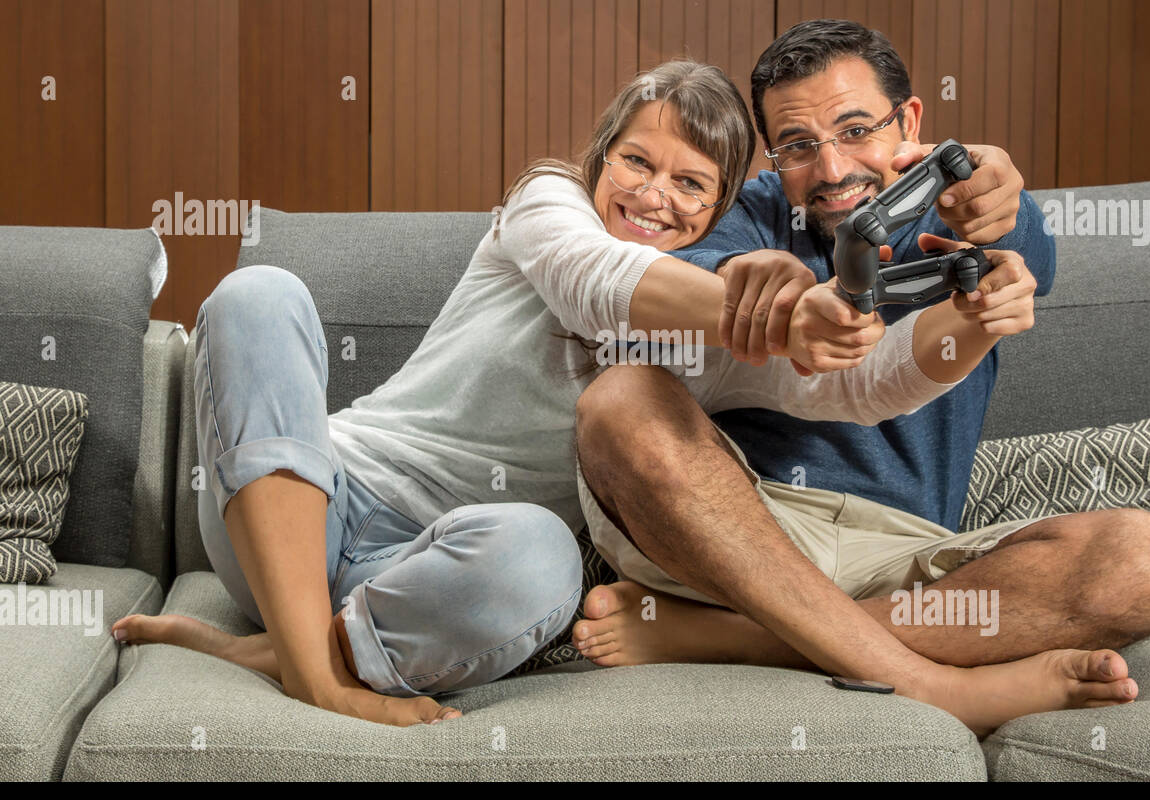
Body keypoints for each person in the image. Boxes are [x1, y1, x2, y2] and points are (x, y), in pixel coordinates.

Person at [108, 59, 903, 726]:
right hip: (299, 507)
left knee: (544, 557)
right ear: (600, 156)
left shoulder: (715, 346)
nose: (656, 195)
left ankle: (278, 644)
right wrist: (779, 312)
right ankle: (317, 672)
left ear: (720, 209)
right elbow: (597, 285)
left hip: (433, 574)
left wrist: (973, 324)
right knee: (260, 295)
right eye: (637, 161)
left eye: (691, 183)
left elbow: (865, 388)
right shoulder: (546, 205)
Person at [571, 22, 1150, 738]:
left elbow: (1028, 248)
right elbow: (686, 279)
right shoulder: (752, 212)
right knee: (620, 398)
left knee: (1145, 561)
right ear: (773, 155)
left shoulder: (962, 210)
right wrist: (753, 284)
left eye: (856, 129)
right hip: (741, 533)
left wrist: (1003, 203)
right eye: (798, 146)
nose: (831, 169)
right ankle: (917, 674)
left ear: (911, 122)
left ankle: (738, 638)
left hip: (911, 559)